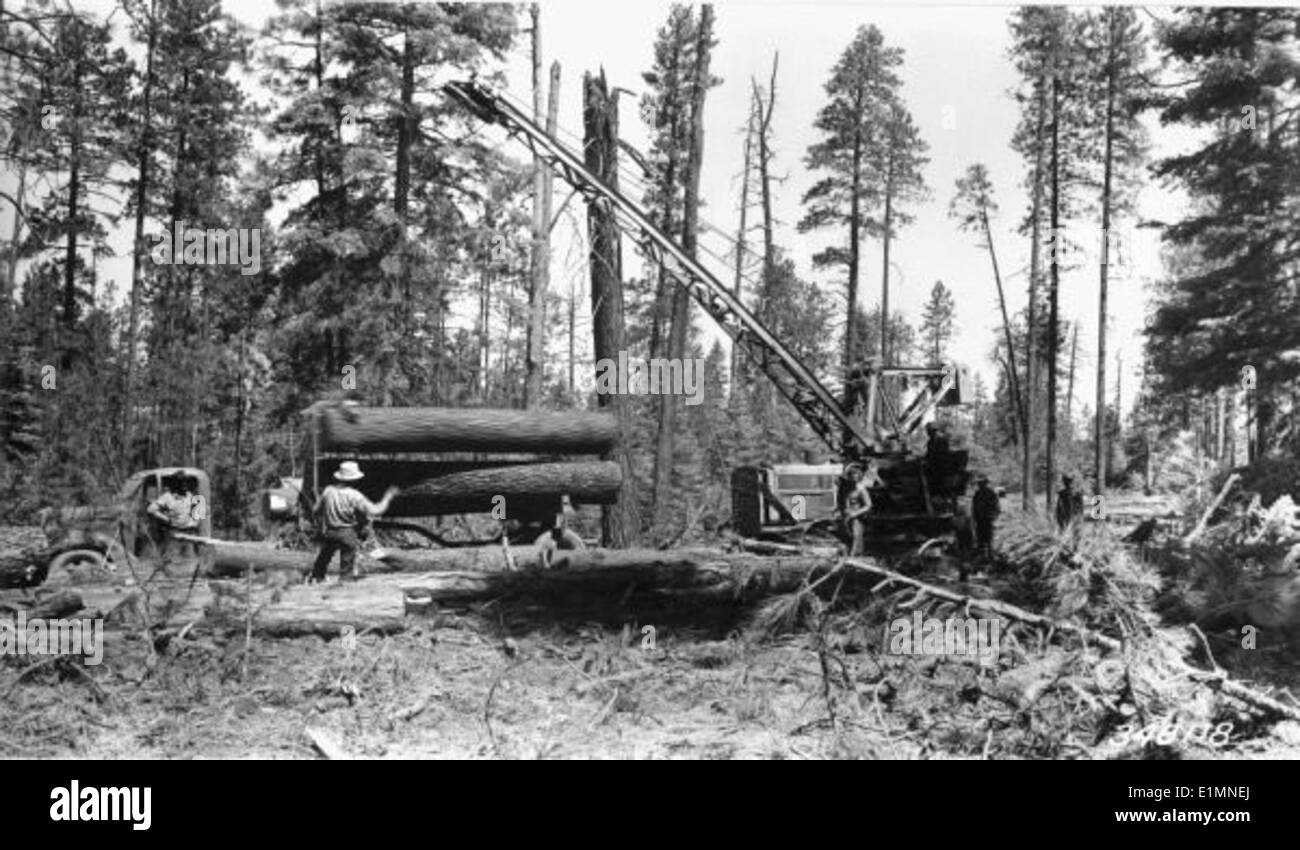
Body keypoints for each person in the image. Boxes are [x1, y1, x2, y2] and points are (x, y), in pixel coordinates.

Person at [310, 462, 399, 584]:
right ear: (354, 479)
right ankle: (345, 583)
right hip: (347, 533)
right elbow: (375, 510)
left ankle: (316, 578)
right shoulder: (355, 496)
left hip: (330, 532)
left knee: (324, 556)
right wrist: (388, 497)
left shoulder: (328, 491)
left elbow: (316, 511)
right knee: (347, 564)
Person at [146, 473, 199, 562]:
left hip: (189, 533)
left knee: (190, 558)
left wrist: (195, 521)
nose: (185, 486)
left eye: (186, 483)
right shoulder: (168, 497)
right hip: (174, 532)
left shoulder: (190, 495)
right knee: (172, 559)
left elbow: (198, 509)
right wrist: (166, 519)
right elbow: (151, 509)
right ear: (176, 484)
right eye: (182, 483)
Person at [842, 461, 884, 556]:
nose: (853, 480)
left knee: (856, 534)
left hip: (857, 515)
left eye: (855, 477)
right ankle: (849, 553)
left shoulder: (861, 489)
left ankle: (855, 555)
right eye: (851, 477)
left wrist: (856, 513)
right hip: (848, 514)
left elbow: (868, 505)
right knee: (847, 534)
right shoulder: (847, 488)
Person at [971, 475, 1000, 558]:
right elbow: (974, 507)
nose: (980, 485)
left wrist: (993, 517)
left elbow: (996, 507)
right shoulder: (978, 494)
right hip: (981, 520)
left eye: (981, 483)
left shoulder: (990, 493)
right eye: (979, 483)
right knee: (982, 538)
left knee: (988, 538)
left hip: (987, 519)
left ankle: (990, 555)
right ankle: (983, 556)